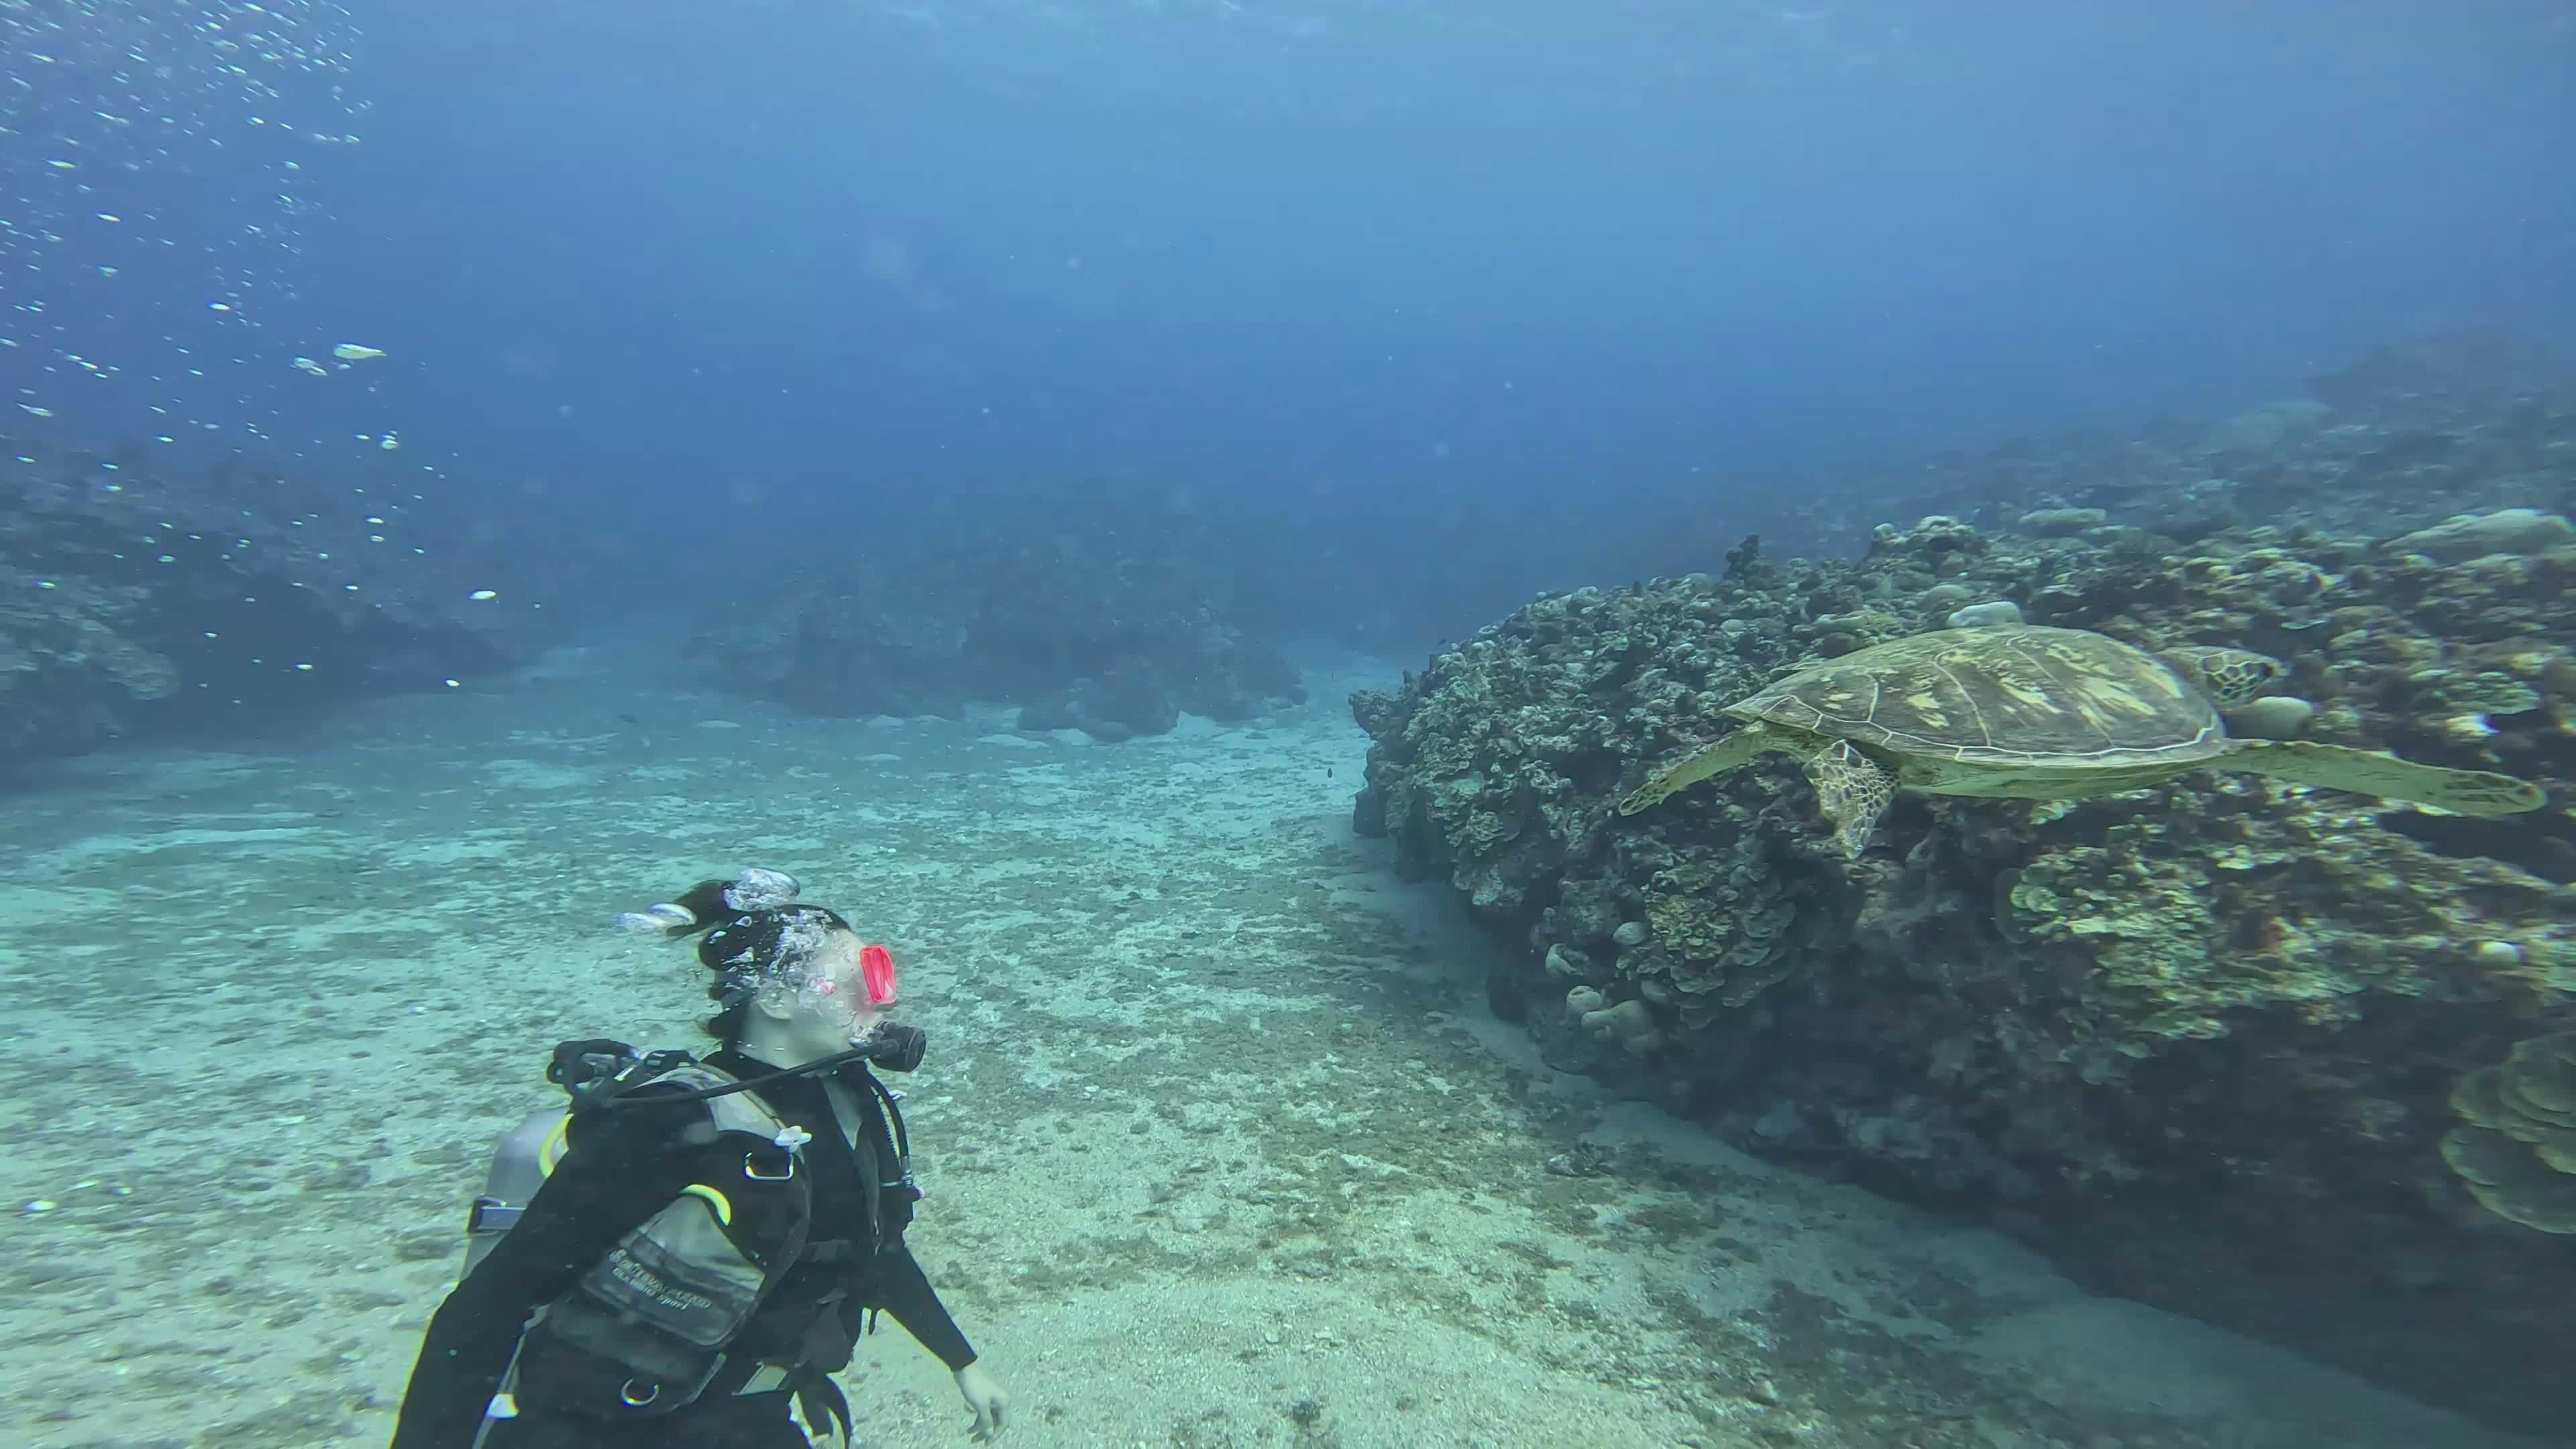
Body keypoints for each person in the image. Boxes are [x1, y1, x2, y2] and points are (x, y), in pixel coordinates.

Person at [392, 869, 1009, 1448]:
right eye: (856, 983)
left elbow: (873, 1251)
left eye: (880, 977)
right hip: (596, 1427)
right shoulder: (667, 1124)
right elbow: (490, 1305)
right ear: (776, 999)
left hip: (748, 1417)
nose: (882, 1002)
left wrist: (963, 1362)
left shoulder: (853, 1102)